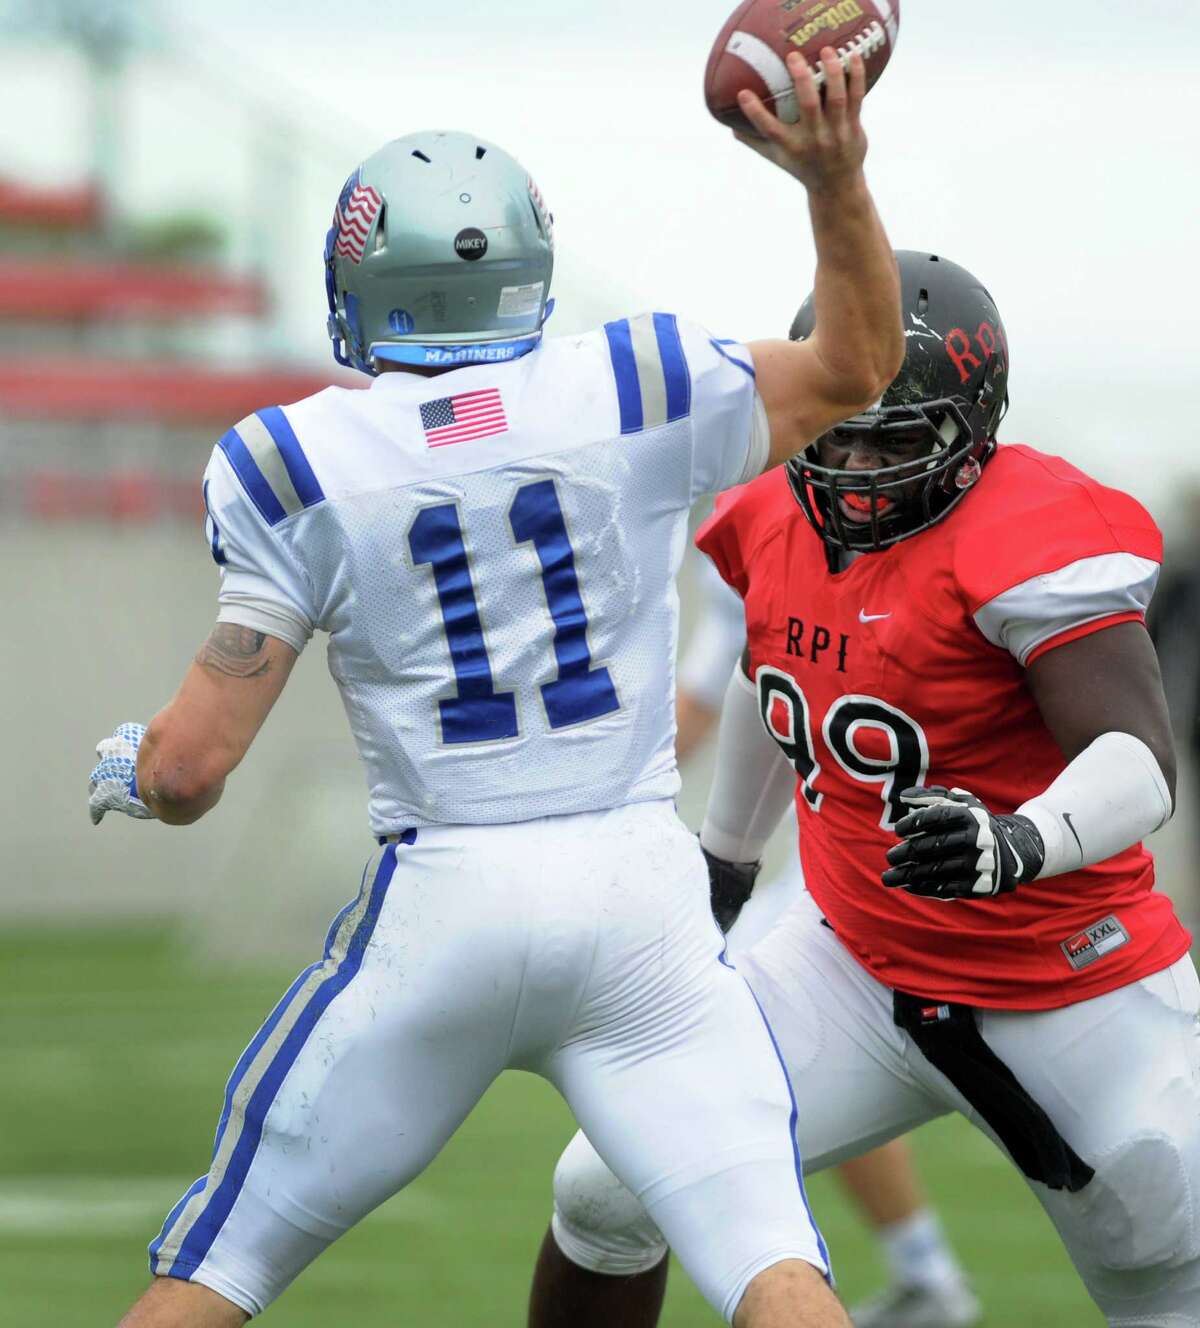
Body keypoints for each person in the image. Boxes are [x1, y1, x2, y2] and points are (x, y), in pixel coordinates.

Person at [87, 50, 906, 1328]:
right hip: (639, 896)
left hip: (448, 899)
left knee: (216, 1273)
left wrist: (131, 765)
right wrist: (837, 181)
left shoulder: (294, 459)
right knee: (770, 1269)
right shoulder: (635, 383)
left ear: (366, 285)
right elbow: (858, 364)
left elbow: (191, 771)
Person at [529, 251, 1200, 1328]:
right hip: (852, 960)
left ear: (972, 429)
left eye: (894, 436)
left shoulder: (1029, 531)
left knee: (1168, 1287)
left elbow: (1137, 754)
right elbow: (776, 671)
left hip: (1065, 983)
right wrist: (725, 858)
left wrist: (1017, 840)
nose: (852, 461)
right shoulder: (775, 511)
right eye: (839, 424)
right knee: (607, 1183)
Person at [676, 563, 980, 1327]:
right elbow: (723, 688)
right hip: (824, 857)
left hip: (940, 852)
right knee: (771, 1064)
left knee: (749, 1071)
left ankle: (904, 1275)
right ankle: (923, 1271)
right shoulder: (755, 529)